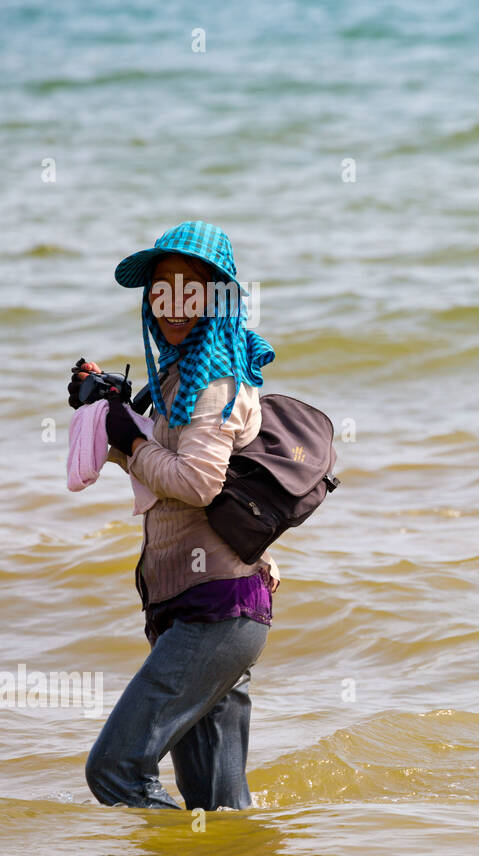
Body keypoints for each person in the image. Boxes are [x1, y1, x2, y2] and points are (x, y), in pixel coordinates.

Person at [75, 221, 278, 809]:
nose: (173, 306)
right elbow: (165, 477)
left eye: (191, 290)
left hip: (215, 611)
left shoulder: (211, 379)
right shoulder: (178, 377)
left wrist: (130, 442)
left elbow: (195, 481)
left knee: (114, 771)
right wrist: (109, 414)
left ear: (217, 297)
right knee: (218, 811)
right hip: (206, 609)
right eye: (162, 291)